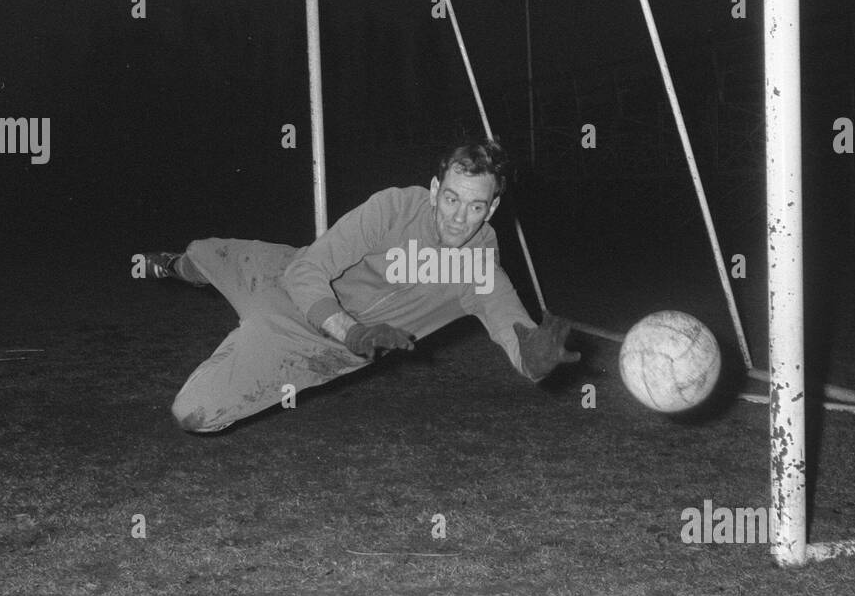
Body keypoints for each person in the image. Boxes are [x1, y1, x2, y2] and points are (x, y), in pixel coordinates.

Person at [143, 139, 579, 433]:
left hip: (309, 344)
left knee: (193, 413)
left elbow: (514, 333)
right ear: (434, 190)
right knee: (205, 253)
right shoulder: (392, 207)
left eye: (475, 206)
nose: (458, 217)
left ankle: (236, 341)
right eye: (451, 198)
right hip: (288, 277)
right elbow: (305, 271)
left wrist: (535, 359)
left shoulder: (480, 271)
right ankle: (173, 266)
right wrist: (350, 329)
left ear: (492, 208)